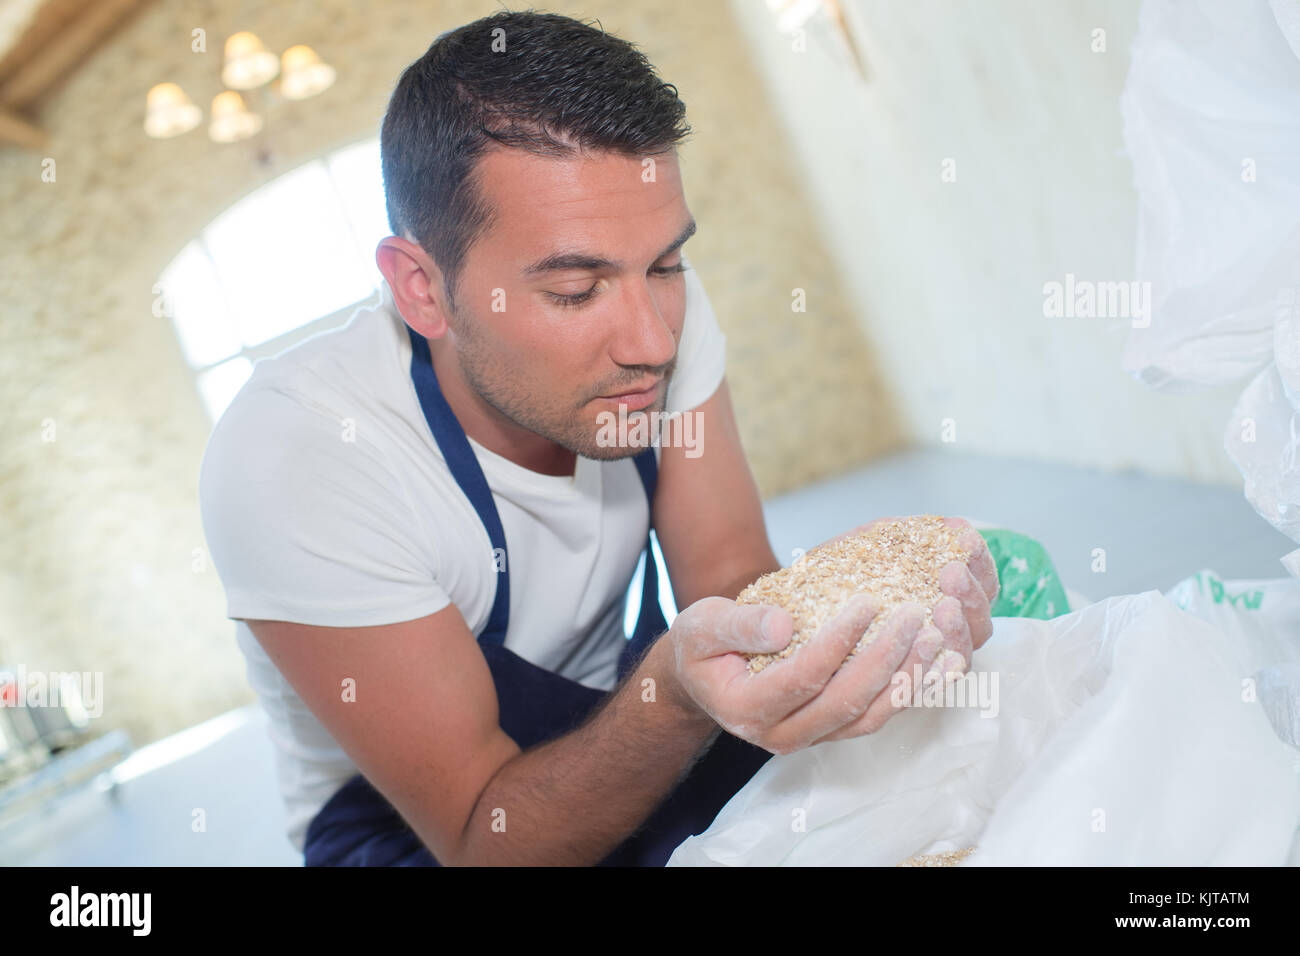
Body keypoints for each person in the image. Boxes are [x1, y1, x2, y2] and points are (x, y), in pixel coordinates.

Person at [198, 9, 998, 867]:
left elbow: (727, 577)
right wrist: (680, 694)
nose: (652, 341)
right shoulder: (299, 456)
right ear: (422, 291)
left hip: (642, 706)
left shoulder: (652, 316)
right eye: (577, 290)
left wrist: (835, 620)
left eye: (664, 265)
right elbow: (481, 837)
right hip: (428, 829)